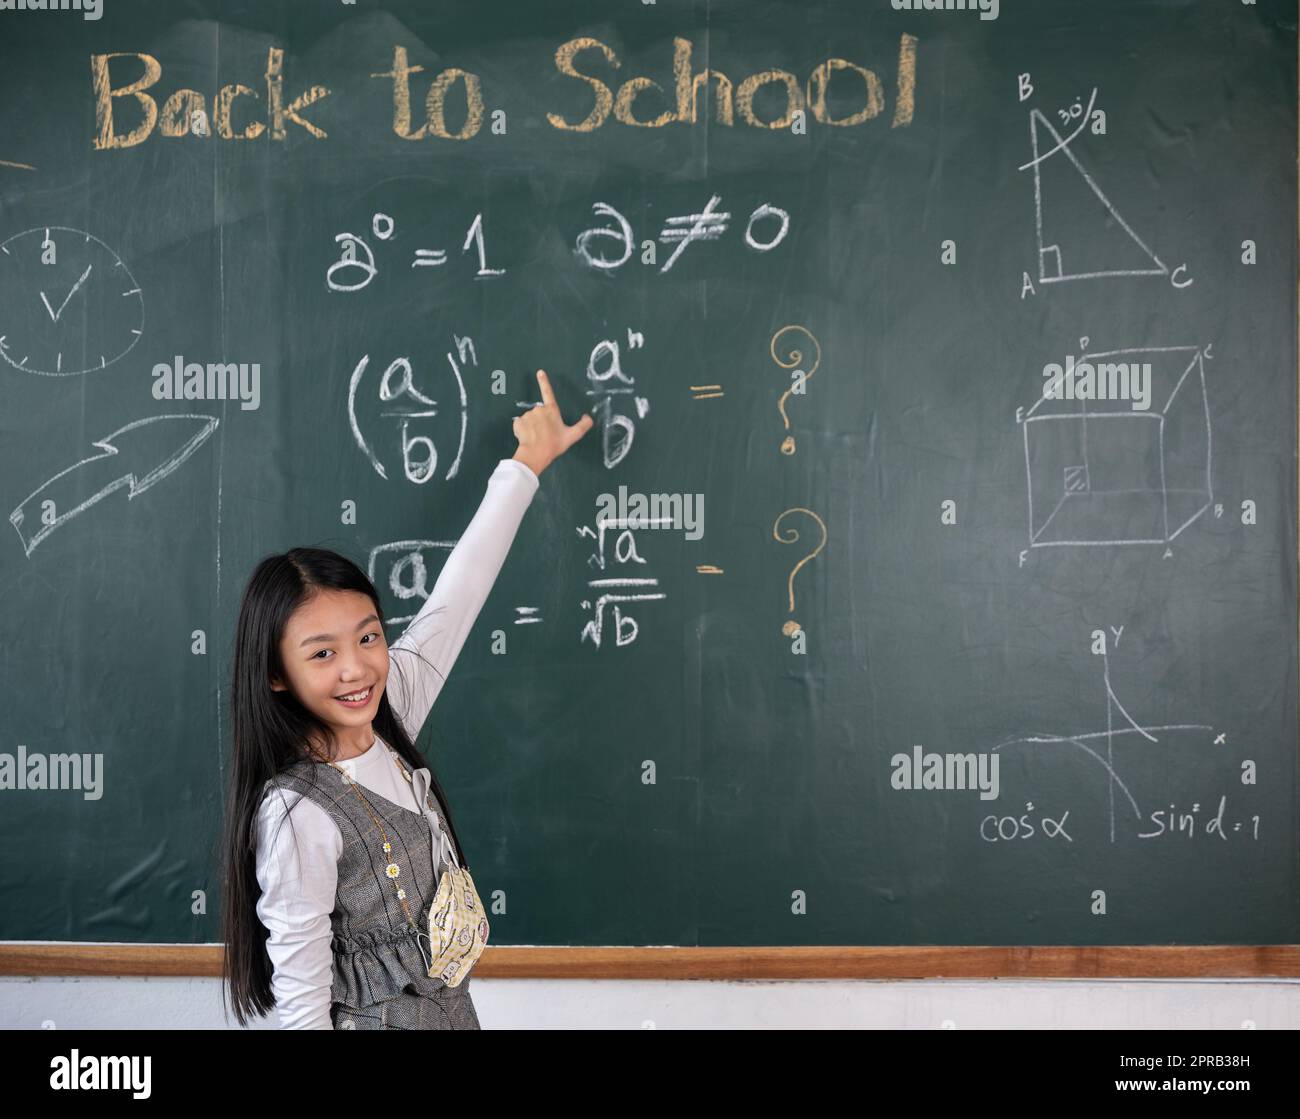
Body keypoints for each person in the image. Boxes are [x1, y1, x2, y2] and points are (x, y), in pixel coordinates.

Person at [219, 370, 592, 1029]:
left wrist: (527, 462)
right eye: (322, 653)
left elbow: (460, 590)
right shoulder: (296, 812)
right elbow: (302, 1007)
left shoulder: (390, 714)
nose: (357, 668)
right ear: (276, 674)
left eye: (368, 636)